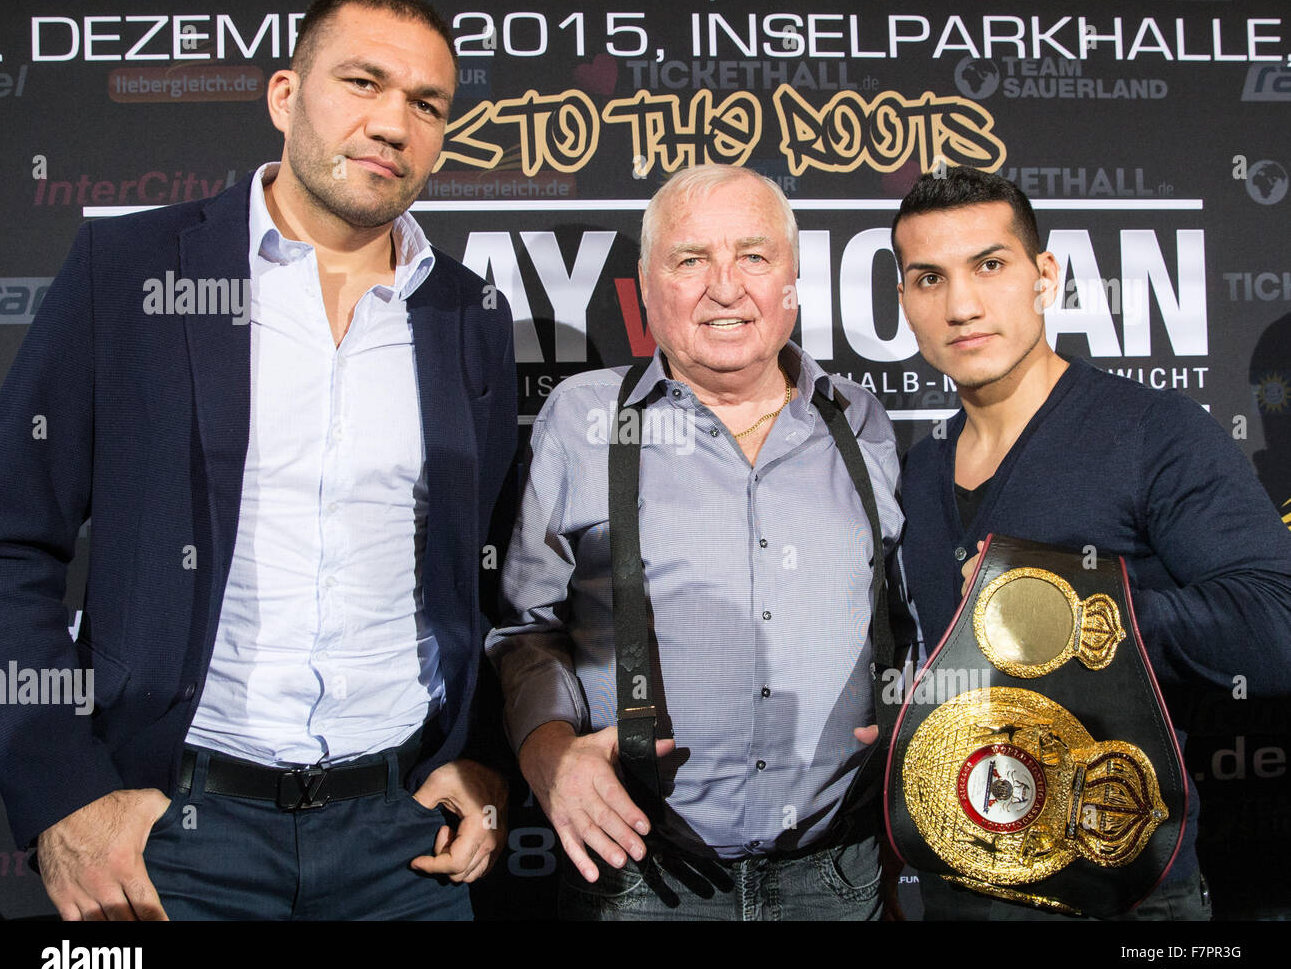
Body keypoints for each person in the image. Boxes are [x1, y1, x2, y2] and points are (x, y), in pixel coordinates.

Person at [0, 0, 518, 920]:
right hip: (165, 834)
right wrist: (61, 792)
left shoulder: (466, 315)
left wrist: (477, 755)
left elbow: (481, 580)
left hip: (404, 843)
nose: (392, 123)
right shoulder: (133, 271)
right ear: (284, 95)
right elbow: (5, 541)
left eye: (426, 104)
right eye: (362, 81)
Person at [486, 163, 914, 921]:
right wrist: (545, 748)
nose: (726, 286)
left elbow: (905, 617)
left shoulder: (859, 419)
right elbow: (526, 628)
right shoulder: (581, 420)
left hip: (839, 879)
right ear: (648, 287)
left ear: (791, 278)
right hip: (639, 881)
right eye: (691, 260)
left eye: (754, 256)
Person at [892, 166, 1291, 920]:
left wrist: (1074, 609)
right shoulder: (918, 469)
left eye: (990, 265)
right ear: (905, 302)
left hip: (1124, 886)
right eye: (929, 278)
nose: (962, 305)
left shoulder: (1151, 432)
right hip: (959, 881)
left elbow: (1277, 624)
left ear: (1045, 275)